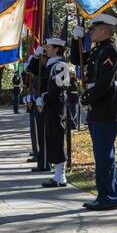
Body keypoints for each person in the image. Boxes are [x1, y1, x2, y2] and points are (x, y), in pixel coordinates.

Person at [80, 13, 117, 211]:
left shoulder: (109, 52)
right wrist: (75, 41)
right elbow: (77, 59)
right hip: (98, 107)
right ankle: (105, 194)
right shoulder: (98, 51)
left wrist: (88, 97)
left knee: (104, 155)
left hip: (106, 107)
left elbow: (105, 83)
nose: (91, 32)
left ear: (106, 30)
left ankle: (109, 197)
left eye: (94, 29)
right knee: (101, 154)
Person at [39, 35, 70, 187]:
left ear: (57, 49)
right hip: (52, 106)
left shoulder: (60, 65)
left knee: (57, 139)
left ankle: (61, 176)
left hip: (57, 107)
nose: (46, 49)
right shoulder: (52, 65)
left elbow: (57, 89)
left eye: (49, 47)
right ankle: (57, 174)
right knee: (52, 138)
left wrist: (43, 99)